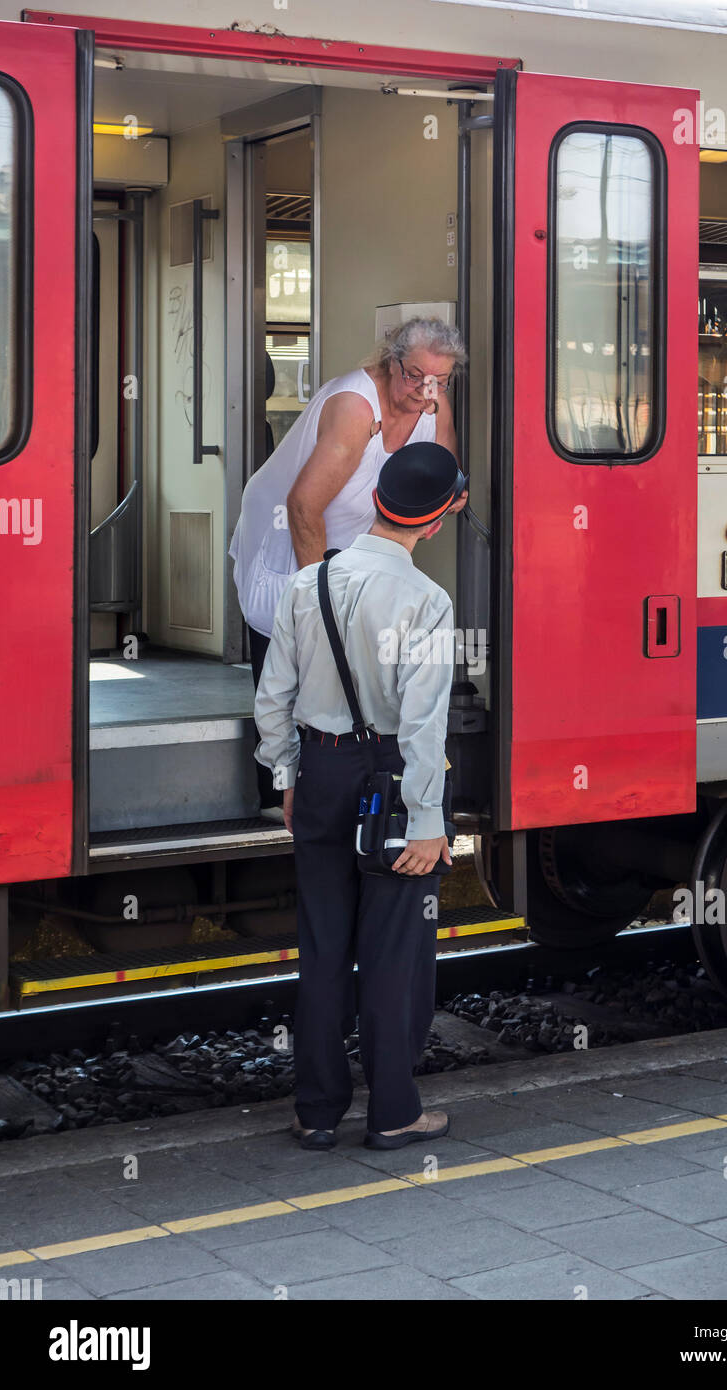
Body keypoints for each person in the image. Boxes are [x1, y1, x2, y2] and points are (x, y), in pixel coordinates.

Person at [254, 441, 460, 1150]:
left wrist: (286, 776)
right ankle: (395, 1111)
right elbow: (425, 726)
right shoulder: (427, 602)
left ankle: (316, 1113)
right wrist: (429, 820)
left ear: (377, 501)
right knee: (392, 953)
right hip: (394, 788)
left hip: (319, 772)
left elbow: (272, 696)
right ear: (432, 524)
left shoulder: (306, 585)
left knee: (322, 949)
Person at [229, 317, 467, 820]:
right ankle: (275, 789)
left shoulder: (432, 402)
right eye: (416, 375)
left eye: (439, 381)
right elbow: (302, 507)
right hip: (286, 526)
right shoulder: (355, 408)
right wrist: (317, 598)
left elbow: (439, 471)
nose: (426, 391)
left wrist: (448, 501)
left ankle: (334, 781)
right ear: (391, 361)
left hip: (348, 536)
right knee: (289, 650)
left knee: (339, 655)